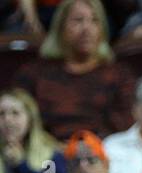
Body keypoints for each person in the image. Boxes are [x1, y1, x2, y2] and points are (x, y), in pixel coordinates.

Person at [11, 0, 135, 141]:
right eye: (78, 20)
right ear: (60, 28)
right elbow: (20, 119)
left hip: (101, 154)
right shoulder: (34, 73)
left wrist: (88, 149)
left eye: (94, 20)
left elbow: (123, 126)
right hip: (45, 155)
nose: (86, 28)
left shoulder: (119, 75)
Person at [0, 88, 74, 173]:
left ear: (30, 118)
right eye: (1, 114)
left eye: (15, 113)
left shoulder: (49, 156)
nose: (7, 120)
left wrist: (21, 166)